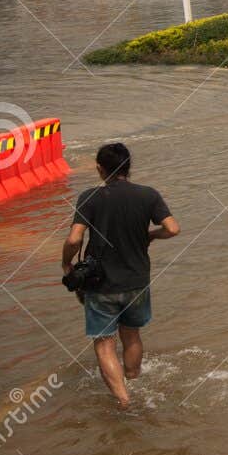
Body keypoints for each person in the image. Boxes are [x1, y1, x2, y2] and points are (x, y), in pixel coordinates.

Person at [62, 143, 180, 409]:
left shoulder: (89, 197)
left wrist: (66, 264)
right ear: (128, 167)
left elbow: (74, 239)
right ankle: (134, 380)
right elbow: (173, 228)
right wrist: (150, 235)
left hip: (100, 284)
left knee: (104, 344)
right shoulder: (148, 195)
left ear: (100, 169)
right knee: (132, 335)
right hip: (137, 281)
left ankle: (124, 401)